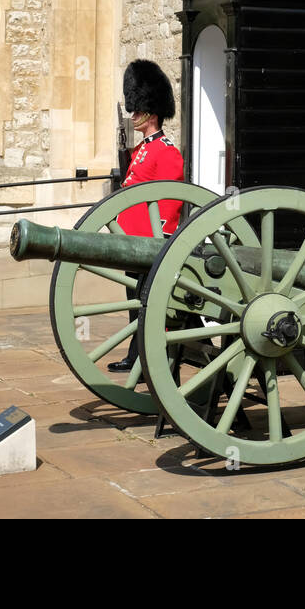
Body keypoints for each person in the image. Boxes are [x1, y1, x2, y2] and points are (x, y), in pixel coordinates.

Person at [108, 59, 184, 374]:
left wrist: (159, 241)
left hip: (148, 243)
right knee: (133, 303)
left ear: (151, 114)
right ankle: (135, 352)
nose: (133, 115)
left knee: (146, 303)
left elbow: (169, 204)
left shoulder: (166, 152)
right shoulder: (143, 149)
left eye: (137, 111)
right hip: (131, 239)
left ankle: (143, 355)